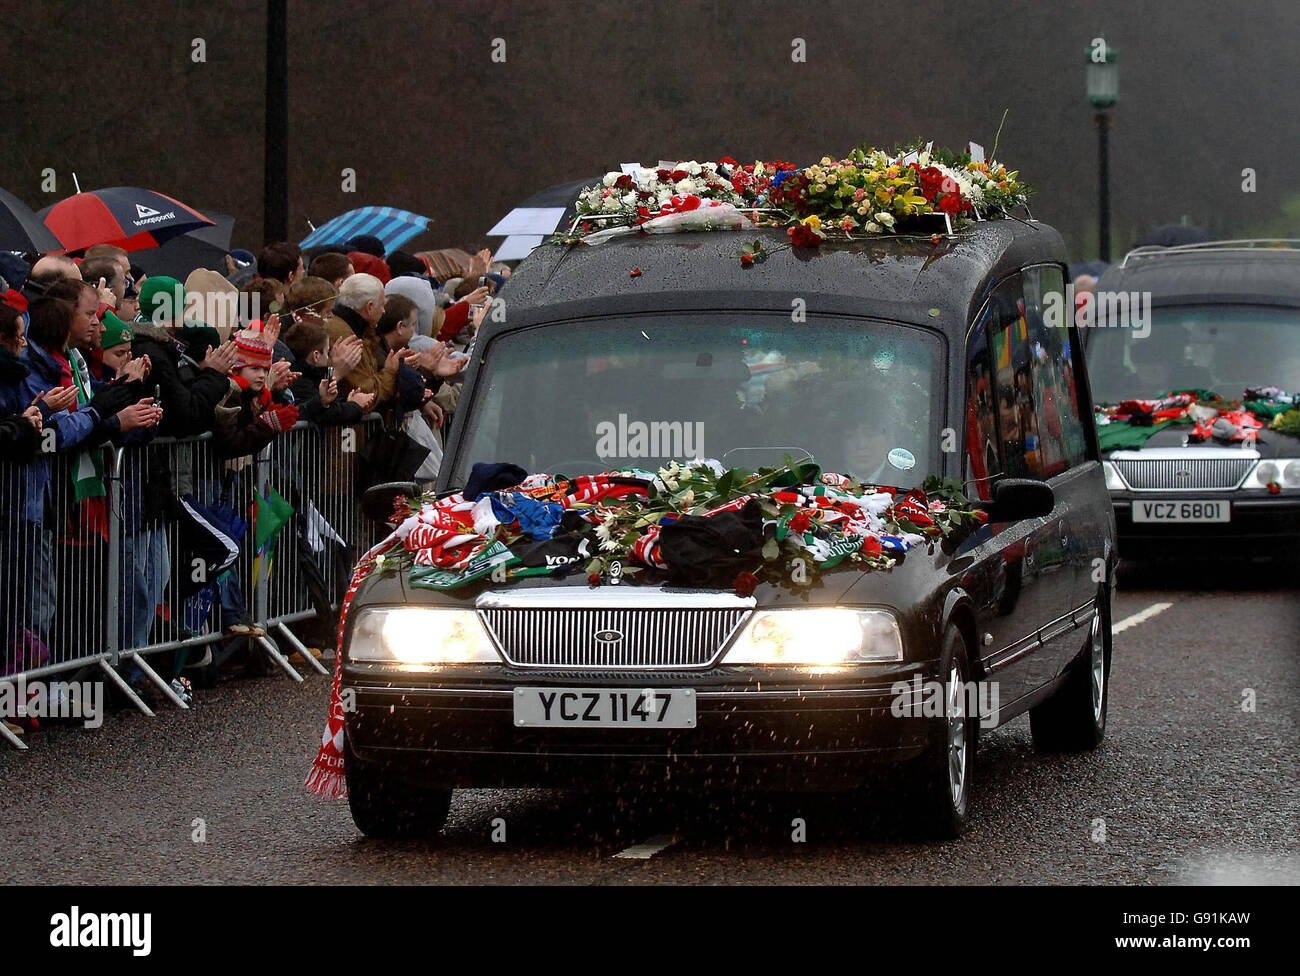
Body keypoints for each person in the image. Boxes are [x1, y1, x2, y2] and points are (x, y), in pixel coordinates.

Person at [283, 319, 375, 426]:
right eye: (327, 352)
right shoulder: (298, 380)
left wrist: (347, 401)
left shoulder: (310, 375)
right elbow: (324, 413)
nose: (328, 359)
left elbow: (324, 404)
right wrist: (355, 405)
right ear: (316, 356)